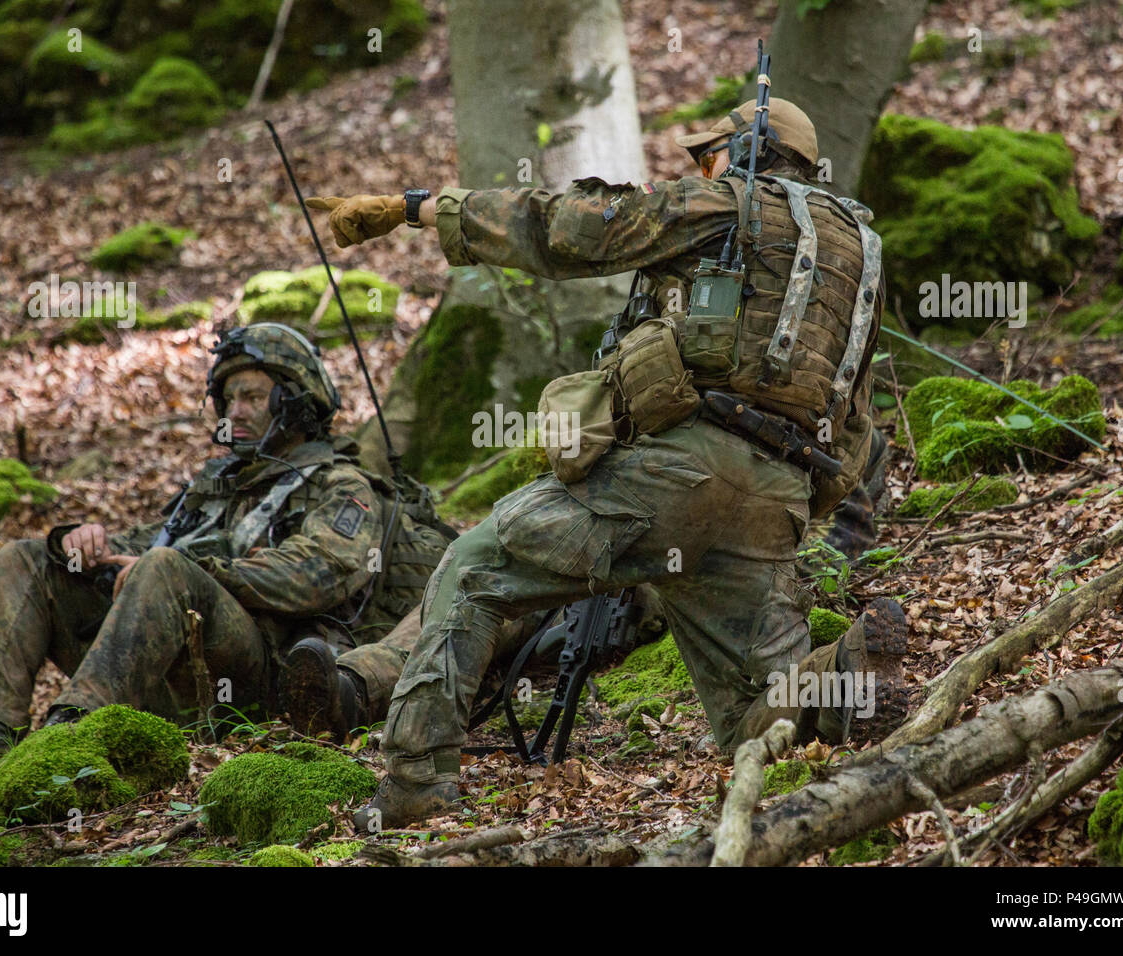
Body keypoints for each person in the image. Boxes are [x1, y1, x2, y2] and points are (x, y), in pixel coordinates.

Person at [306, 97, 907, 829]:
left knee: (470, 568)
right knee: (756, 710)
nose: (699, 167)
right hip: (773, 499)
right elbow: (856, 425)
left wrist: (419, 209)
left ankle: (414, 784)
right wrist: (795, 516)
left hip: (672, 475)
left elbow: (565, 228)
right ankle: (842, 672)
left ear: (748, 149)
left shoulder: (727, 206)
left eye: (708, 153)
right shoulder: (860, 254)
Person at [0, 322, 451, 767]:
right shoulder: (216, 488)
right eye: (228, 398)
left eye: (252, 396)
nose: (234, 411)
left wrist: (191, 568)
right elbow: (146, 545)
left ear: (293, 402)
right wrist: (84, 545)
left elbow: (319, 574)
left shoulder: (340, 483)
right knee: (26, 559)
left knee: (166, 567)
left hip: (261, 681)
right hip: (166, 669)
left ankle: (67, 738)